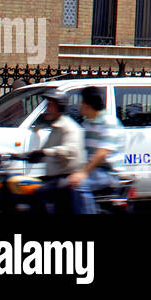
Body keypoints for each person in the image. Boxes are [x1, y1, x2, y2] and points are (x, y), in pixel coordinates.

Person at [17, 88, 85, 214]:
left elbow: (70, 150)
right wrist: (22, 156)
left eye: (51, 105)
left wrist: (45, 153)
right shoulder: (55, 128)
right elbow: (43, 152)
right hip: (52, 178)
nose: (48, 108)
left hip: (65, 179)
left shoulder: (69, 128)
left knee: (37, 194)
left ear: (59, 107)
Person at [68, 86, 124, 214]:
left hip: (109, 173)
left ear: (88, 105)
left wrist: (82, 173)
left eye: (81, 102)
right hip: (94, 170)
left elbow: (102, 153)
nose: (79, 106)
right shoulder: (87, 123)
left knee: (80, 185)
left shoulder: (108, 122)